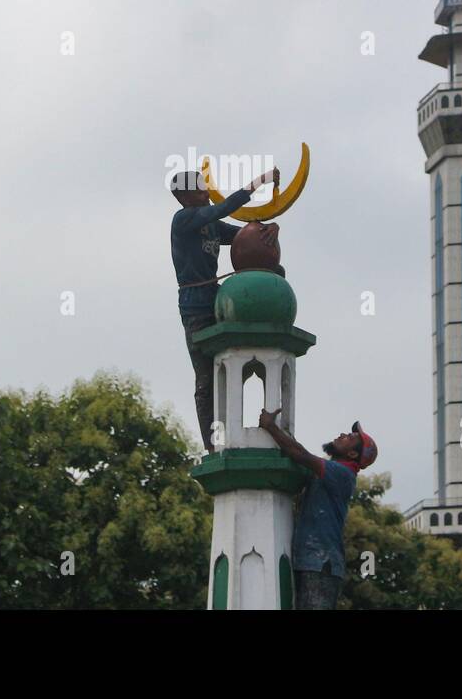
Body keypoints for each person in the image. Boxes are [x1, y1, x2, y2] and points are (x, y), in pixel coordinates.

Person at [169, 166, 278, 451]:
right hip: (194, 308)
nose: (206, 192)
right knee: (205, 381)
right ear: (184, 197)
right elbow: (223, 208)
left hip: (217, 299)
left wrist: (268, 229)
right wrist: (258, 183)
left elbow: (244, 234)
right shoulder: (183, 220)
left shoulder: (211, 224)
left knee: (231, 363)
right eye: (199, 189)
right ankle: (213, 444)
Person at [258, 409, 378, 609]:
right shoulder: (331, 472)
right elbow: (299, 455)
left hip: (321, 563)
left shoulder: (341, 473)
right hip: (314, 561)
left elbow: (300, 454)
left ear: (352, 454)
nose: (343, 435)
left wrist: (270, 426)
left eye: (350, 437)